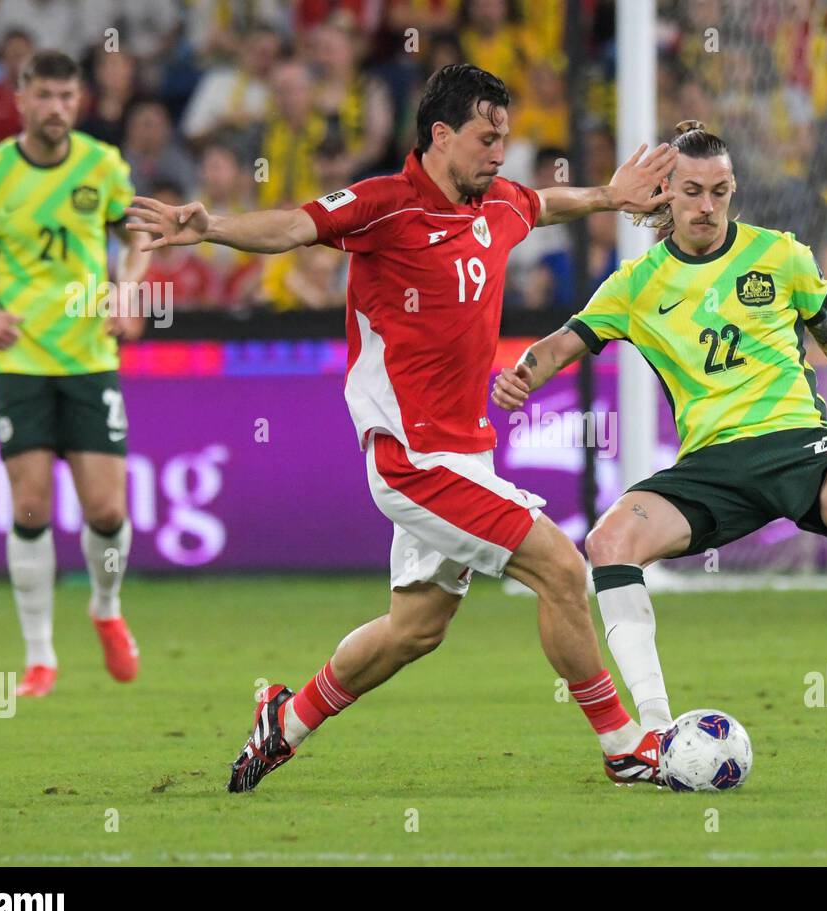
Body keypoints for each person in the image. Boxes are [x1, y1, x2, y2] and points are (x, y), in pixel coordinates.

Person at [127, 64, 679, 792]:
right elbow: (294, 226)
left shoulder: (498, 204)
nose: (499, 152)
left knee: (415, 628)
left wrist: (610, 195)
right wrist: (211, 227)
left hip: (466, 457)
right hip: (410, 456)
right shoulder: (384, 206)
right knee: (562, 569)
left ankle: (284, 720)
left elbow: (545, 204)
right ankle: (621, 745)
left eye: (506, 138)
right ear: (441, 135)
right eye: (487, 138)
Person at [493, 121, 827, 779]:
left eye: (719, 191)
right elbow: (560, 345)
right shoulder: (636, 284)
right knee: (608, 544)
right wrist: (522, 375)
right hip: (711, 465)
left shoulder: (782, 256)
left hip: (799, 443)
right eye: (691, 191)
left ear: (732, 190)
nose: (706, 205)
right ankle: (654, 730)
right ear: (665, 196)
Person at [0, 50, 152, 697]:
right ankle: (40, 657)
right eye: (45, 96)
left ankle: (107, 608)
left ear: (78, 100)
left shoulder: (102, 165)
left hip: (89, 358)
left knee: (107, 508)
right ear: (23, 101)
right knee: (30, 504)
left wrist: (127, 289)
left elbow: (138, 236)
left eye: (67, 96)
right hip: (22, 359)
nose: (57, 108)